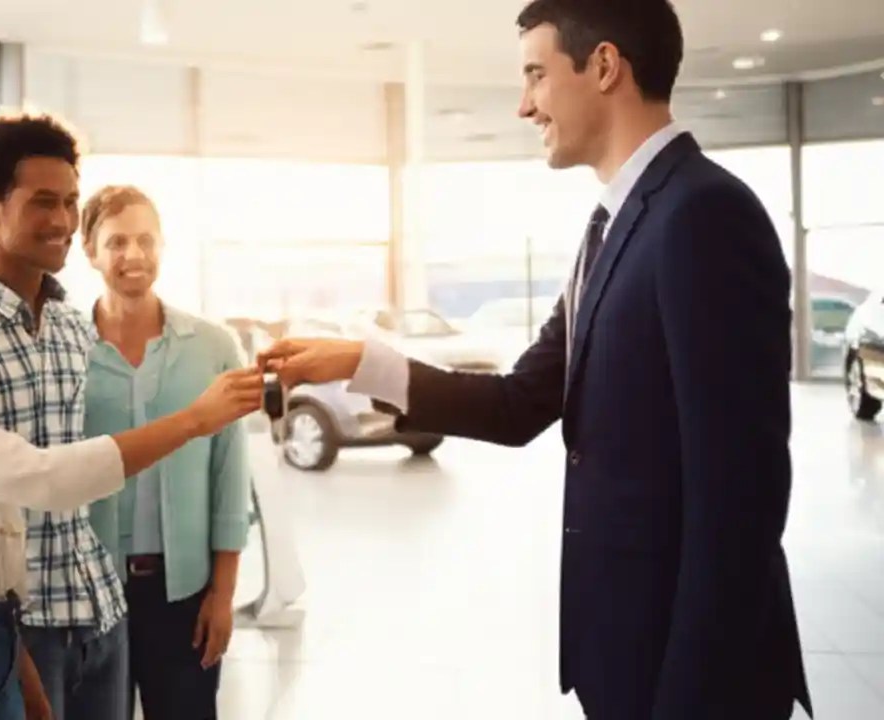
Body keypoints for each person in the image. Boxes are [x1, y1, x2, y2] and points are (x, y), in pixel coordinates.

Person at [258, 1, 812, 718]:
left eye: (535, 75)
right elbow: (520, 403)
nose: (524, 106)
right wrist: (361, 361)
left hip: (687, 676)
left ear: (605, 66)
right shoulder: (612, 227)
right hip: (622, 652)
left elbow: (739, 500)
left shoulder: (703, 216)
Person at [0, 115, 244, 720]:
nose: (61, 220)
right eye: (43, 203)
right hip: (15, 623)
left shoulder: (74, 329)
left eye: (71, 202)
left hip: (96, 605)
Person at [81, 185, 251, 719]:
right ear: (90, 252)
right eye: (117, 242)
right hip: (91, 592)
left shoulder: (214, 346)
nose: (134, 255)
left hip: (185, 592)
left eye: (146, 240)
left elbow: (229, 476)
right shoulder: (65, 350)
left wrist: (222, 596)